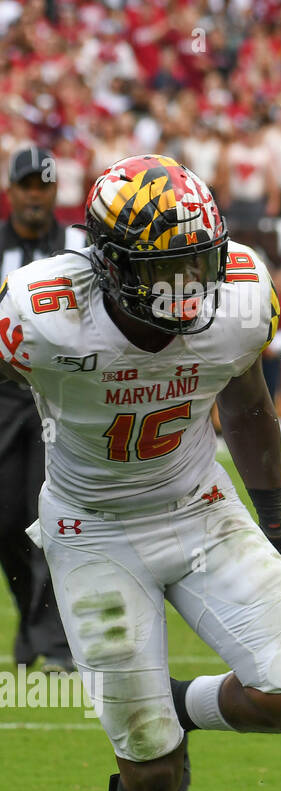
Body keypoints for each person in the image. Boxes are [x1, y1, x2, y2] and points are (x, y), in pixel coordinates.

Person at [0, 154, 281, 791]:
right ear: (107, 264)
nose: (187, 287)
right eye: (163, 269)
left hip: (200, 508)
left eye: (197, 262)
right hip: (91, 529)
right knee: (151, 775)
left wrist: (275, 521)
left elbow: (248, 408)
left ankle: (178, 704)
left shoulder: (240, 298)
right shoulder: (44, 314)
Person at [0, 146, 77, 671]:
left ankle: (54, 640)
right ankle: (32, 627)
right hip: (3, 396)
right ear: (11, 191)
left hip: (57, 397)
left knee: (48, 518)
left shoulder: (75, 246)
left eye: (44, 186)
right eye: (27, 185)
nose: (35, 196)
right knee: (7, 522)